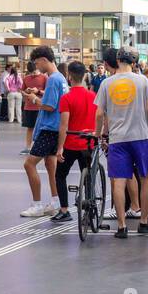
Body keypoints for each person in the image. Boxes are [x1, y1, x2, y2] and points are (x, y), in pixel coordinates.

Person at [94, 47, 148, 239]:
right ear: (134, 62)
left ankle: (121, 226)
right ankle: (143, 222)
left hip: (117, 139)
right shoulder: (143, 80)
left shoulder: (106, 83)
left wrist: (98, 134)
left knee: (118, 182)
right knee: (146, 178)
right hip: (140, 136)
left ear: (118, 59)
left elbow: (99, 113)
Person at [20, 46, 67, 217]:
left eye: (37, 62)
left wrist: (34, 99)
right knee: (50, 164)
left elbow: (49, 105)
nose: (36, 65)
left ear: (44, 60)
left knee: (29, 164)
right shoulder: (61, 78)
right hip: (57, 127)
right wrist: (40, 93)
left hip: (49, 128)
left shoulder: (53, 79)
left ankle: (37, 204)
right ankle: (54, 201)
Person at [53, 60, 96, 222]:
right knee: (88, 176)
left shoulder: (67, 98)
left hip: (71, 143)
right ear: (85, 76)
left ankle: (64, 210)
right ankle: (89, 210)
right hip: (89, 142)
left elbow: (64, 124)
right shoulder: (93, 96)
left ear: (69, 76)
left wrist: (59, 148)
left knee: (60, 175)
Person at [20, 60, 46, 155]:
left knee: (40, 128)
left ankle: (39, 146)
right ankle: (28, 147)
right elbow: (22, 91)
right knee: (29, 128)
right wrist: (26, 91)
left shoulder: (44, 77)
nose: (32, 74)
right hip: (28, 107)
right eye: (31, 72)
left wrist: (38, 91)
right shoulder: (26, 78)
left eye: (34, 72)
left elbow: (47, 92)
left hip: (40, 107)